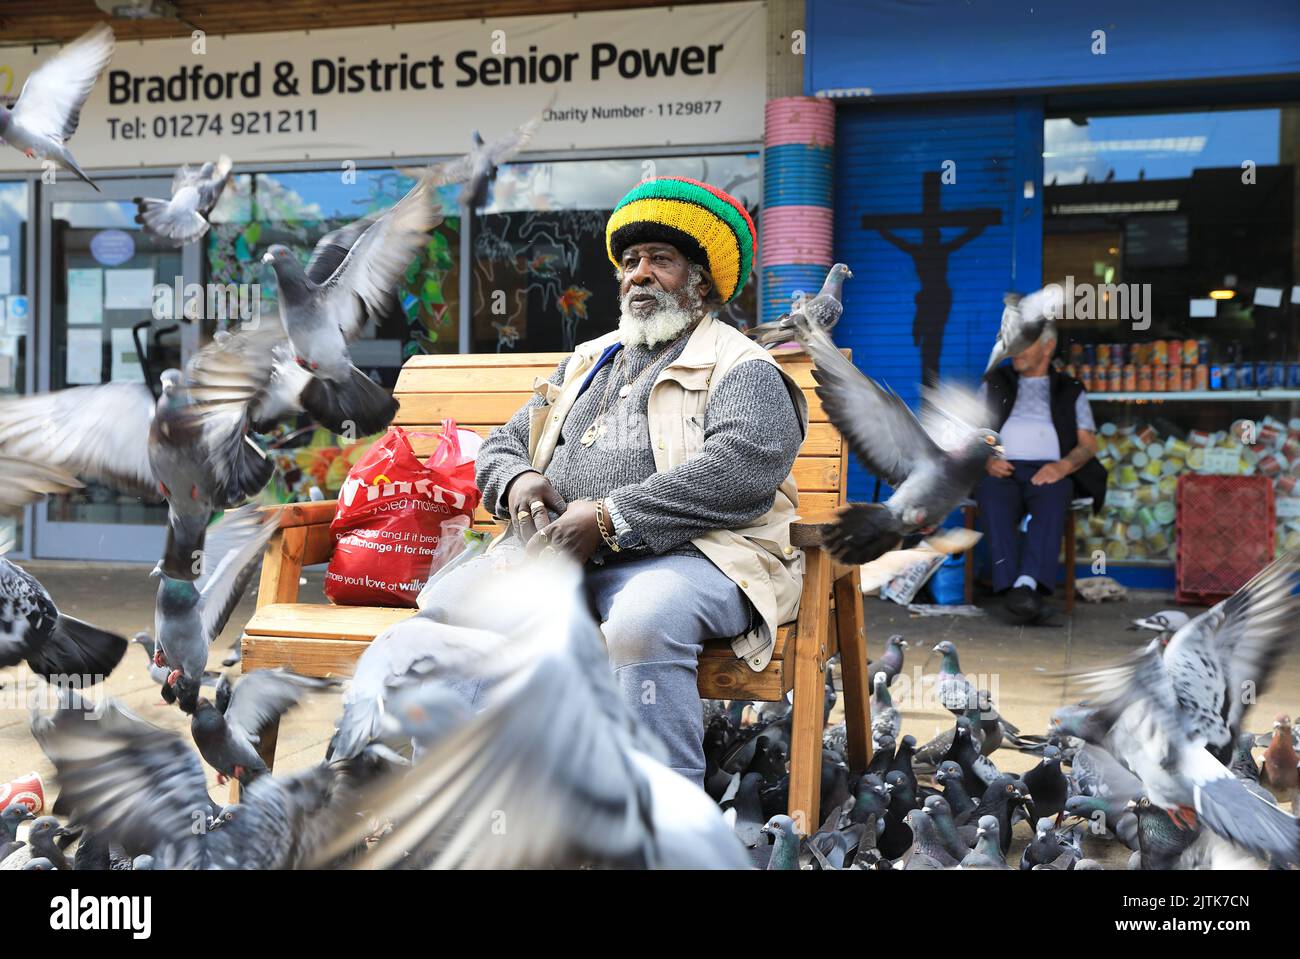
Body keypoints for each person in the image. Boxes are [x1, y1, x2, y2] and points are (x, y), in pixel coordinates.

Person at [418, 177, 806, 785]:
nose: (639, 274)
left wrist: (606, 520)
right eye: (630, 262)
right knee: (451, 605)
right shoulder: (587, 359)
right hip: (563, 556)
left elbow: (742, 469)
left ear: (701, 281)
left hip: (696, 557)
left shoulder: (744, 366)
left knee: (642, 622)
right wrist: (518, 480)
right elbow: (500, 443)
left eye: (662, 260)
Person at [975, 324, 1105, 623]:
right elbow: (972, 433)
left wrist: (1062, 467)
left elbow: (1088, 444)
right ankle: (1013, 587)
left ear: (1047, 347)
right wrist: (986, 460)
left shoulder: (1070, 389)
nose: (1014, 351)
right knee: (992, 497)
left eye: (1024, 343)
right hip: (1001, 466)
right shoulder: (995, 381)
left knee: (1054, 498)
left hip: (1050, 469)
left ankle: (1025, 585)